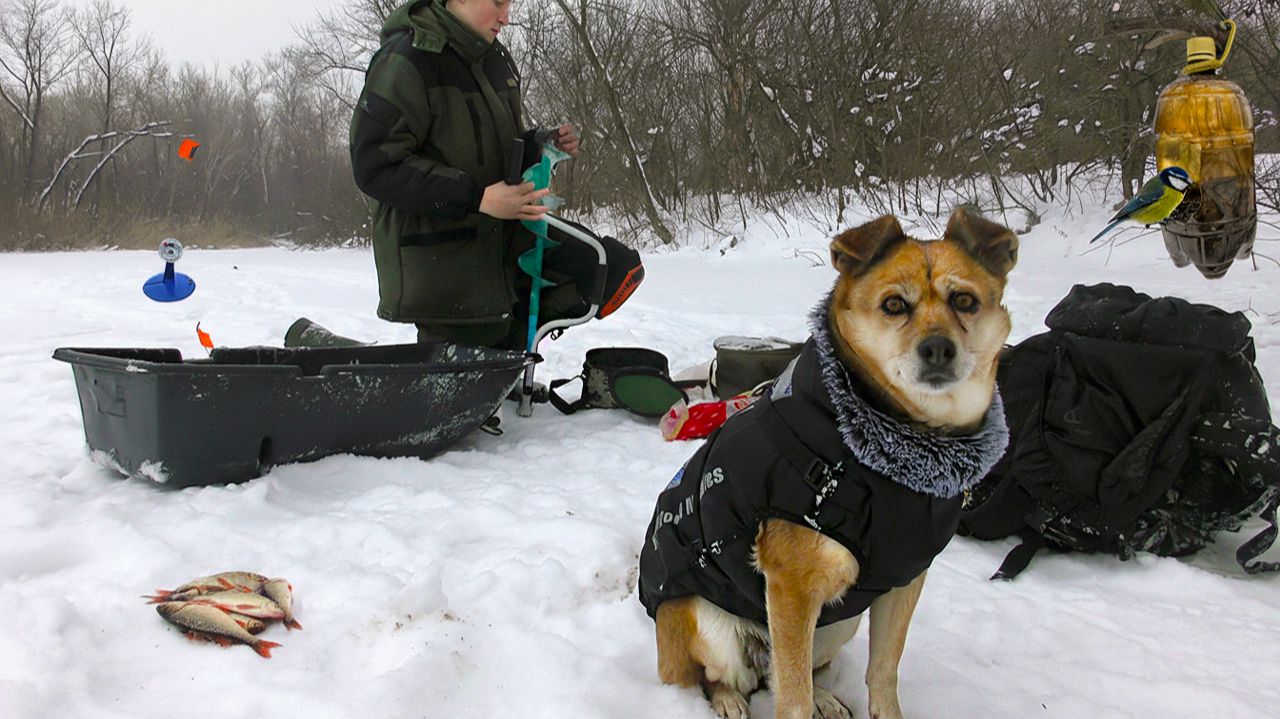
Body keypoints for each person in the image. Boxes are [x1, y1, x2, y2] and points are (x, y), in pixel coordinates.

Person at [350, 0, 643, 351]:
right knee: (475, 384)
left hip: (505, 238)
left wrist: (540, 144)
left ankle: (519, 345)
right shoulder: (407, 60)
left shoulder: (494, 59)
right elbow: (376, 166)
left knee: (608, 266)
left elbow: (503, 148)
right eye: (498, 3)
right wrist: (479, 198)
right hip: (447, 260)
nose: (506, 17)